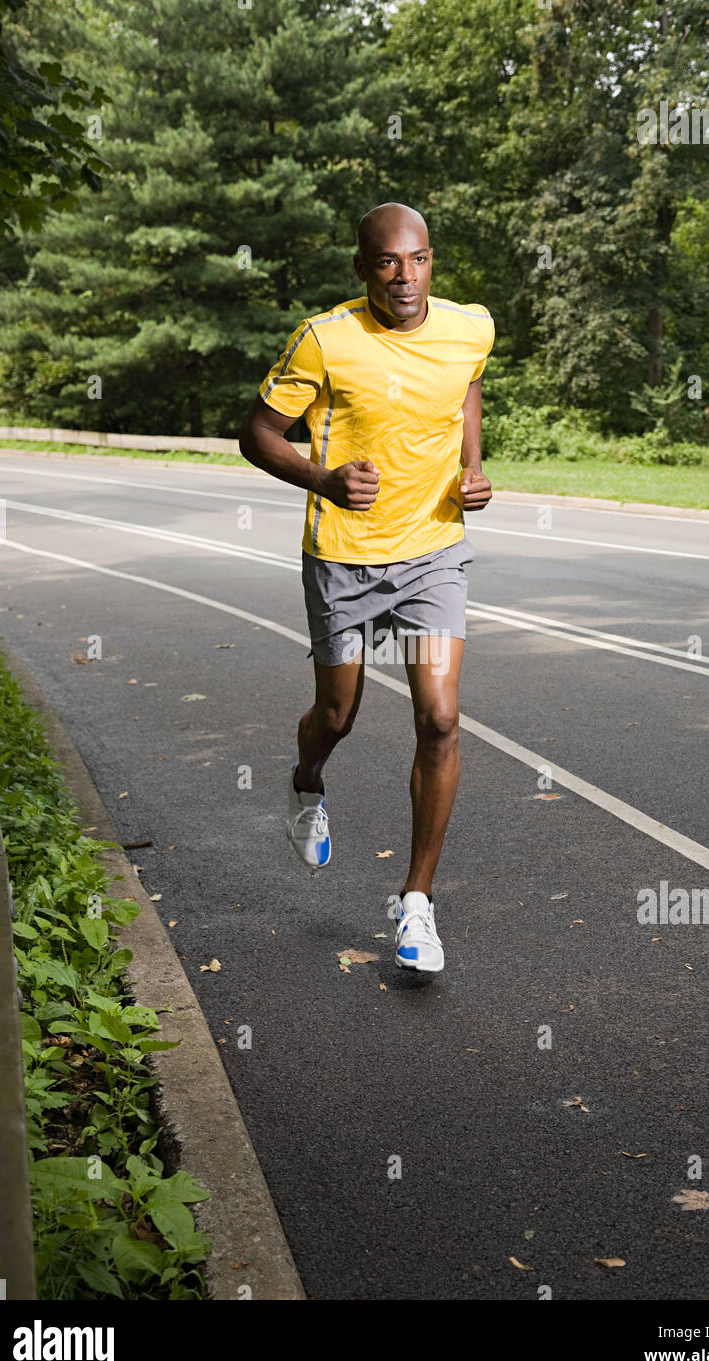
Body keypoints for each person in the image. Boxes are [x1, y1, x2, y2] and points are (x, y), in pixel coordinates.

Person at [239, 202, 494, 974]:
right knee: (338, 714)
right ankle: (307, 782)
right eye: (387, 262)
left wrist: (470, 467)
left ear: (431, 261)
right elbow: (256, 432)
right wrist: (322, 477)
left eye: (417, 260)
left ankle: (416, 905)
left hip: (432, 552)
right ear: (363, 268)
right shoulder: (326, 339)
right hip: (345, 556)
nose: (404, 276)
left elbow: (466, 388)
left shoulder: (470, 327)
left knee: (441, 719)